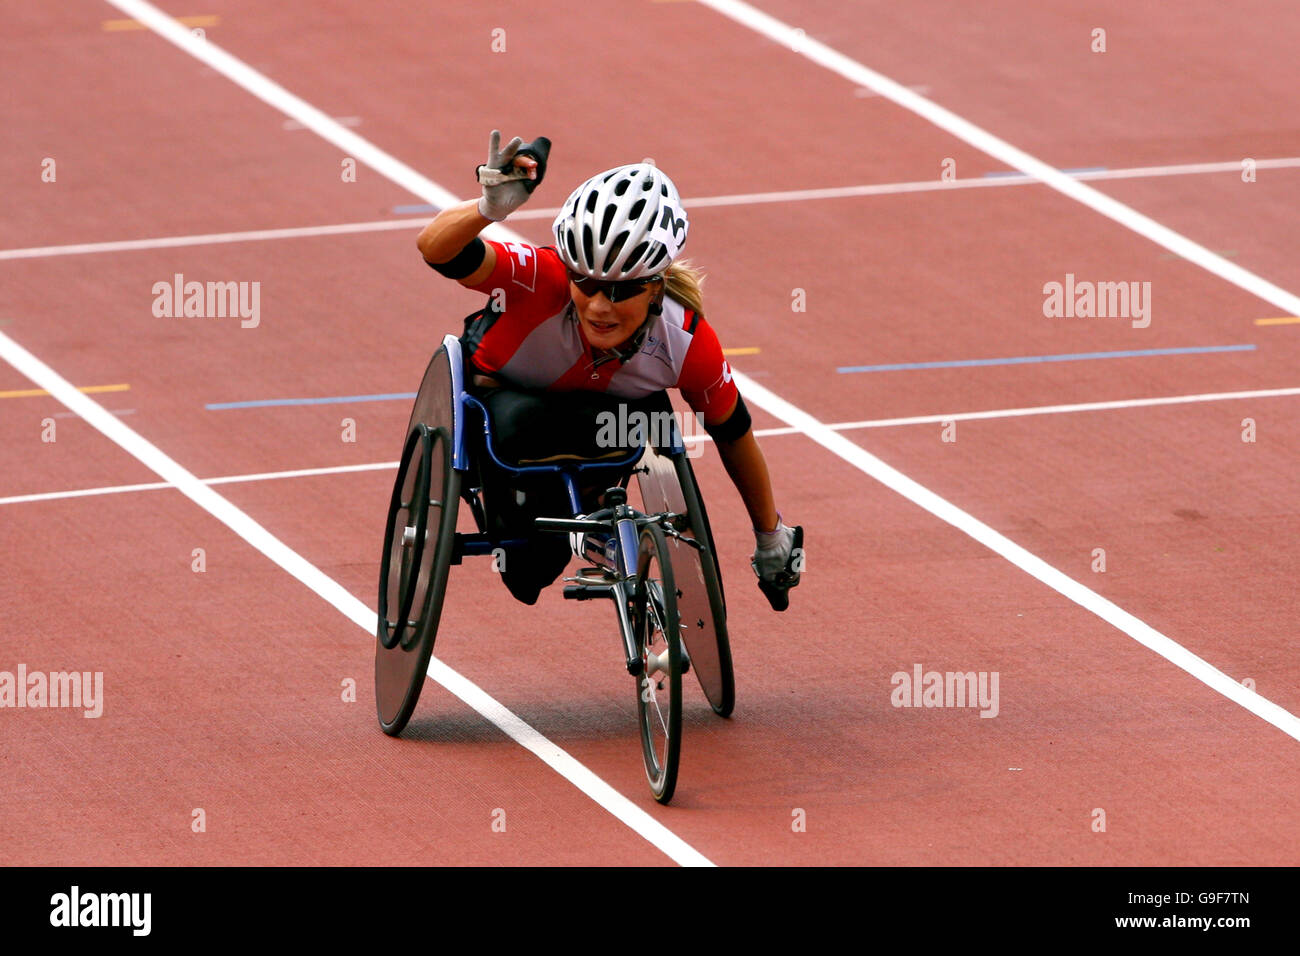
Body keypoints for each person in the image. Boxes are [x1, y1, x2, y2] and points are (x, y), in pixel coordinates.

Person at [417, 131, 802, 610]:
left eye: (621, 291)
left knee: (635, 426)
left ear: (655, 288)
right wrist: (487, 210)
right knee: (526, 574)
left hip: (596, 429)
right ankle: (561, 528)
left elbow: (734, 434)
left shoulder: (685, 341)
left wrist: (770, 536)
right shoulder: (543, 276)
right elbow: (436, 249)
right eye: (587, 283)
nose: (599, 306)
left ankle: (598, 524)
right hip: (502, 416)